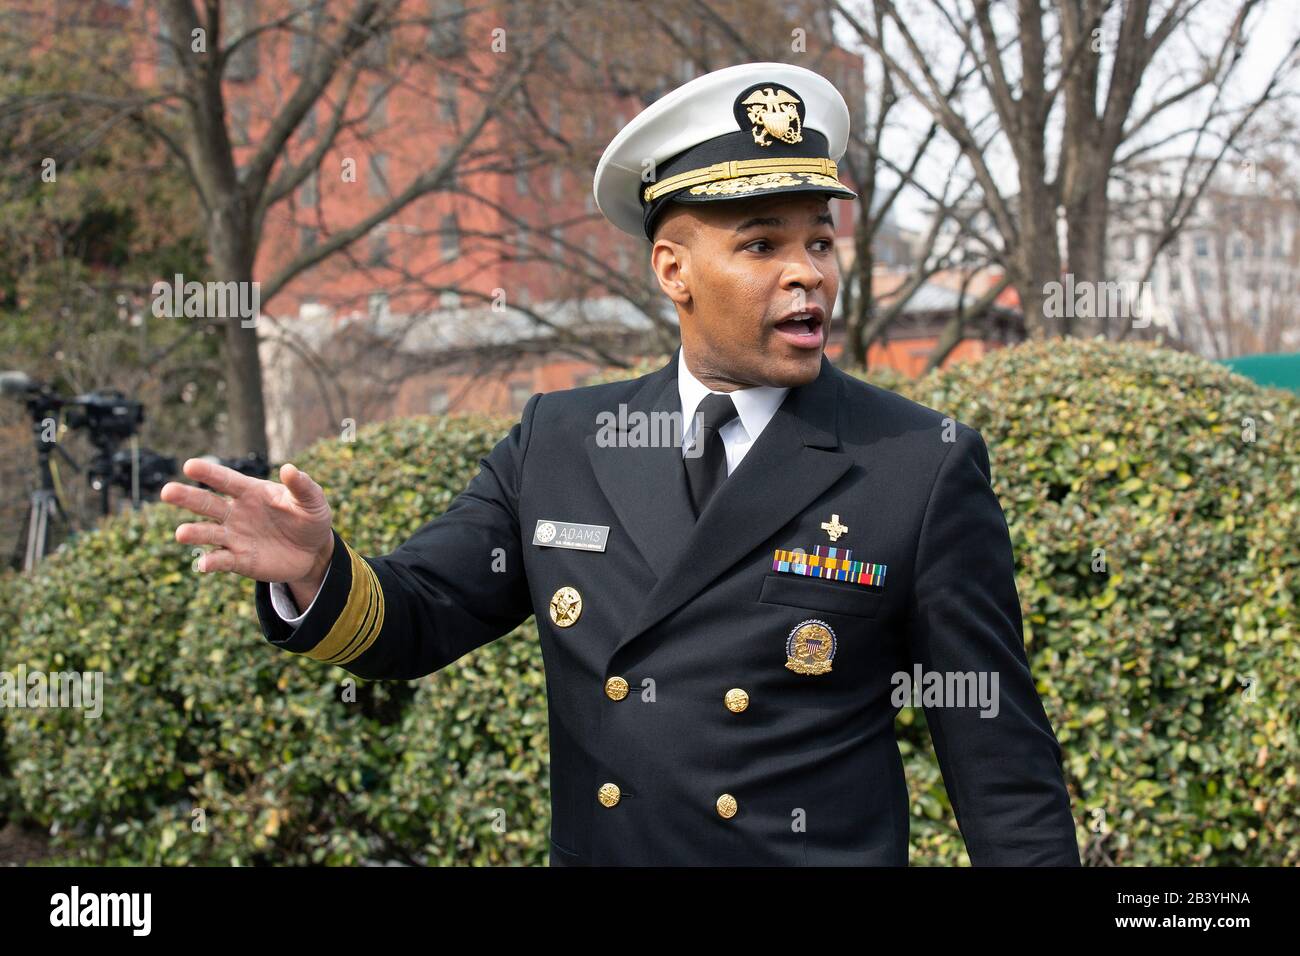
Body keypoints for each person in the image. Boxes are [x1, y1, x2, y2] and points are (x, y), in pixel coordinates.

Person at [161, 61, 1080, 866]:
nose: (808, 274)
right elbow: (418, 619)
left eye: (819, 240)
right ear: (673, 270)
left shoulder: (917, 462)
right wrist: (322, 573)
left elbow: (997, 756)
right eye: (761, 245)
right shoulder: (561, 438)